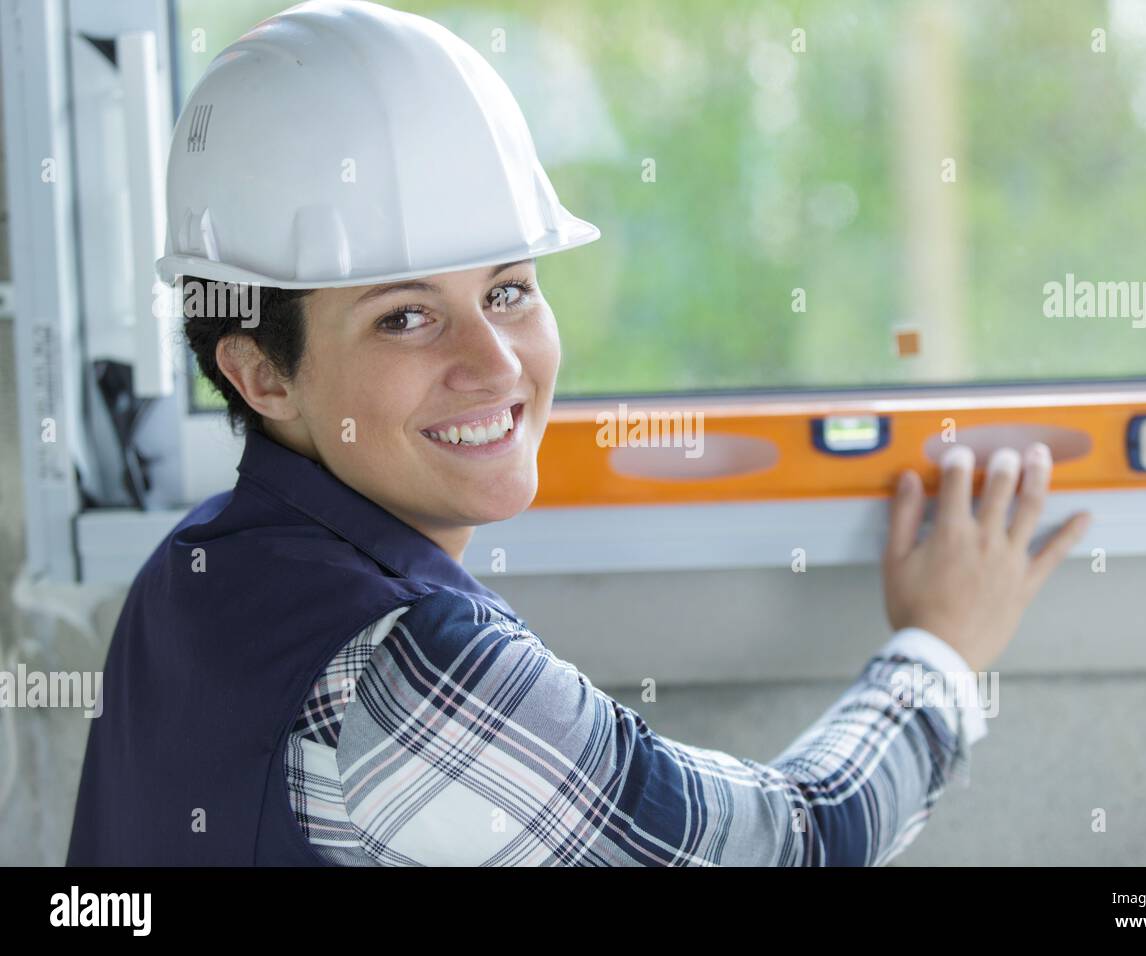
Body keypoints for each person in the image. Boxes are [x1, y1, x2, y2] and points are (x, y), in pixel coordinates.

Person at [66, 0, 1089, 866]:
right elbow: (796, 841)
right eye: (405, 316)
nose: (498, 364)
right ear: (260, 371)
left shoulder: (193, 570)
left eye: (508, 289)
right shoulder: (410, 671)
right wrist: (943, 647)